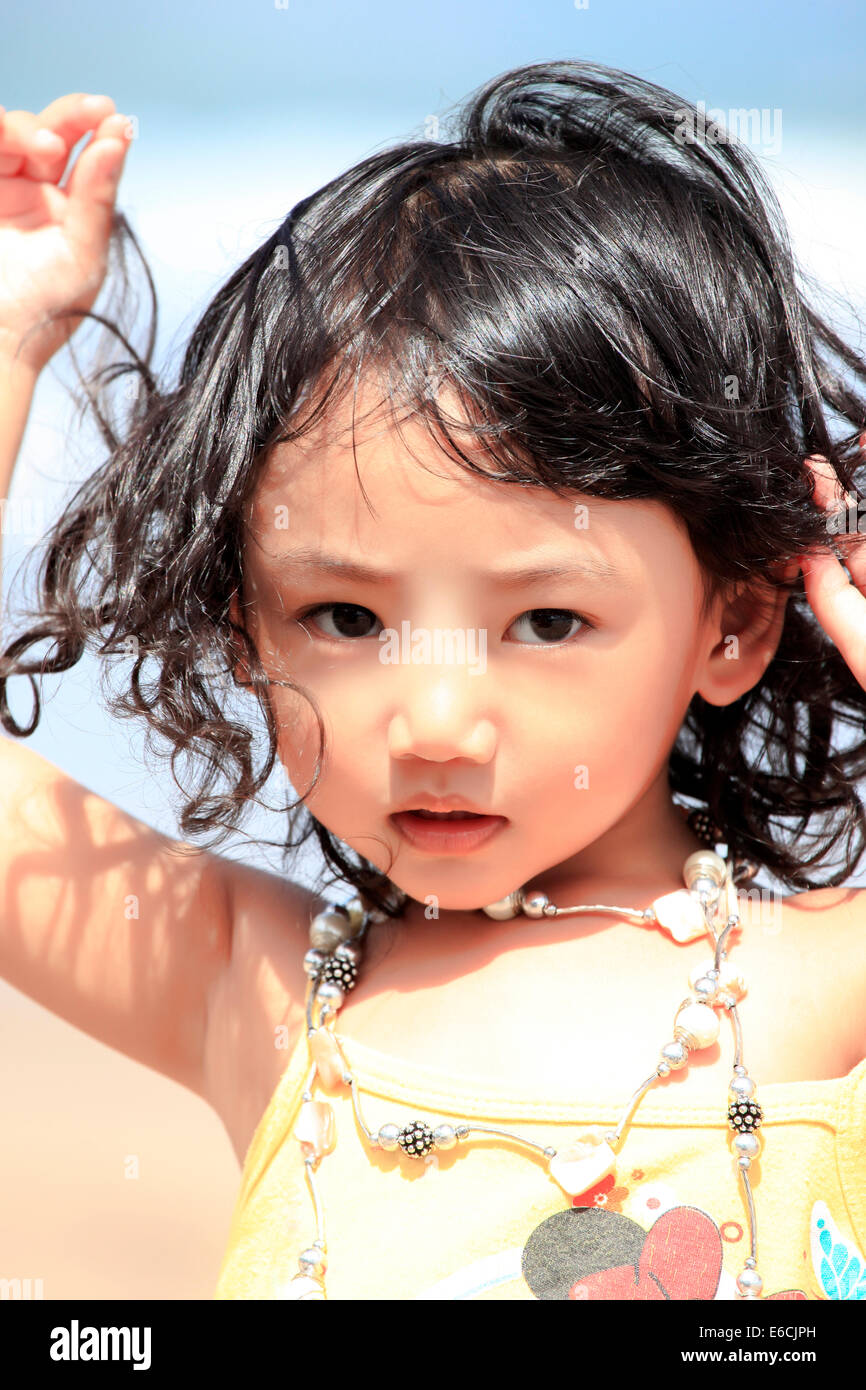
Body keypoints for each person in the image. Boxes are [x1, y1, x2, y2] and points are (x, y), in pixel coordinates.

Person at [1, 61, 865, 1302]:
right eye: (345, 615)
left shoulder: (821, 984)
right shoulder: (262, 997)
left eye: (546, 619)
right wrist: (12, 333)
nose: (436, 722)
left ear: (727, 624)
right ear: (245, 626)